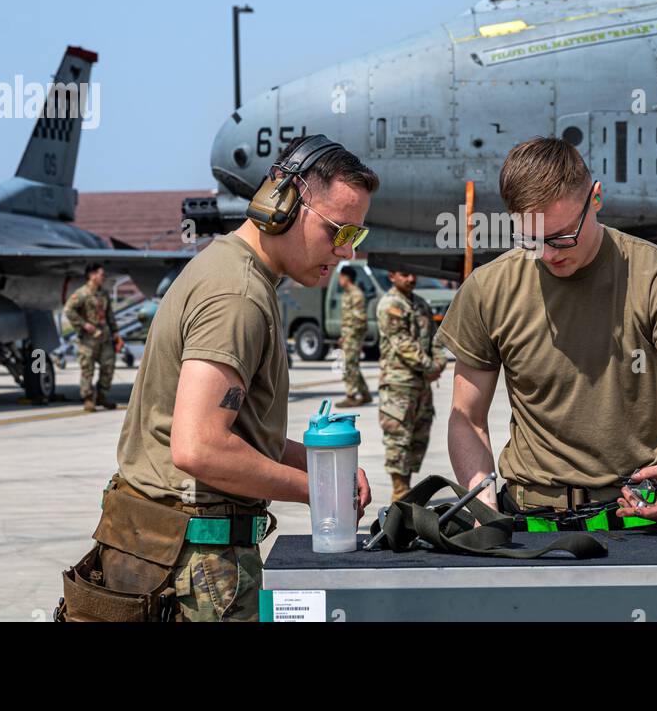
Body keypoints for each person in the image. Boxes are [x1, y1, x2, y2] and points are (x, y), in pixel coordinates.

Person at [59, 135, 377, 622]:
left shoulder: (234, 273)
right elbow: (200, 447)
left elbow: (240, 435)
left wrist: (319, 467)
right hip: (196, 566)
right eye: (339, 231)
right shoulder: (238, 295)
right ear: (283, 205)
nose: (346, 252)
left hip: (170, 551)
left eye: (355, 236)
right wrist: (319, 491)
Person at [437, 138, 657, 527]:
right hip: (529, 522)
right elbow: (466, 418)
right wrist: (483, 503)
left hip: (635, 519)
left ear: (596, 198)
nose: (550, 254)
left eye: (563, 236)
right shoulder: (489, 288)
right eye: (533, 239)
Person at [376, 270, 444, 502]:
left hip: (421, 384)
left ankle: (407, 488)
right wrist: (429, 366)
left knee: (419, 436)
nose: (412, 278)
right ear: (392, 276)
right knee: (398, 438)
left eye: (413, 275)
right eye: (405, 274)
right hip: (398, 384)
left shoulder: (421, 304)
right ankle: (400, 490)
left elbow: (435, 338)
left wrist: (439, 361)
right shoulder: (391, 305)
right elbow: (402, 343)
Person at [63, 263, 120, 412]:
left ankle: (102, 395)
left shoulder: (103, 293)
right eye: (101, 275)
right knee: (87, 368)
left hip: (105, 336)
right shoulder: (82, 293)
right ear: (92, 275)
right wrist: (83, 325)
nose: (103, 277)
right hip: (88, 339)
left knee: (108, 366)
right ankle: (88, 398)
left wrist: (115, 332)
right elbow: (69, 310)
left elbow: (109, 315)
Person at [336, 265, 371, 408]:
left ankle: (351, 396)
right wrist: (343, 336)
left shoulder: (356, 294)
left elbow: (359, 320)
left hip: (354, 336)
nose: (339, 280)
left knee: (349, 364)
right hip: (348, 335)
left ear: (346, 278)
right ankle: (365, 394)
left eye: (340, 277)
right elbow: (347, 319)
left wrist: (350, 337)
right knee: (352, 365)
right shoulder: (346, 294)